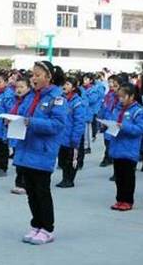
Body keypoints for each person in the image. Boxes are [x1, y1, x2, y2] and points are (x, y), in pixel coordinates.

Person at [14, 61, 66, 245]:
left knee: (42, 190)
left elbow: (58, 125)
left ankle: (47, 228)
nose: (33, 78)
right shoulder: (30, 96)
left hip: (43, 150)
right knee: (31, 191)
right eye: (32, 74)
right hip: (27, 148)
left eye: (37, 75)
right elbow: (22, 115)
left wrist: (32, 123)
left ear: (49, 77)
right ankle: (36, 224)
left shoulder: (57, 98)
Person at [108, 83, 143, 211]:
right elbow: (113, 122)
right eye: (119, 97)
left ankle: (128, 200)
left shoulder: (139, 111)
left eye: (123, 97)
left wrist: (124, 127)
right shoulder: (117, 108)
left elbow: (139, 129)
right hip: (117, 147)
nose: (121, 99)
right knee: (118, 177)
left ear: (131, 96)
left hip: (129, 149)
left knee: (128, 177)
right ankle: (119, 199)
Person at [56, 77, 85, 188]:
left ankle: (69, 179)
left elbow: (79, 122)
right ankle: (64, 178)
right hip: (61, 136)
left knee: (71, 159)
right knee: (62, 159)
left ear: (73, 87)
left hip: (71, 136)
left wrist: (76, 137)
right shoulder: (60, 99)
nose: (65, 86)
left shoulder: (77, 102)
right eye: (64, 84)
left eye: (68, 84)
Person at [8, 76, 34, 195]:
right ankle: (19, 182)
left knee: (25, 159)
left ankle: (24, 184)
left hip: (26, 132)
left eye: (22, 87)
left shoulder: (30, 100)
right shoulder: (15, 100)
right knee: (18, 158)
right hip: (16, 132)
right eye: (17, 87)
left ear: (29, 88)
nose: (19, 89)